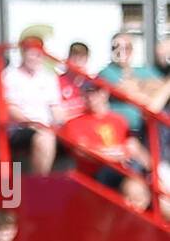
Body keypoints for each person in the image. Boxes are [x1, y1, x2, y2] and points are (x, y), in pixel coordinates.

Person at [61, 81, 152, 210]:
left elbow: (133, 147)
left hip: (122, 171)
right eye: (89, 91)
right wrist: (117, 153)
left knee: (152, 193)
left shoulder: (119, 120)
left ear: (105, 93)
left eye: (97, 91)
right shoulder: (74, 123)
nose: (93, 96)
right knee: (133, 188)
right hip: (95, 175)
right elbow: (85, 152)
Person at [2, 36, 65, 174]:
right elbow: (11, 109)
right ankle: (40, 182)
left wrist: (62, 124)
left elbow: (56, 107)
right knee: (44, 139)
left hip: (45, 127)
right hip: (20, 128)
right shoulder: (10, 76)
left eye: (38, 53)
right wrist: (34, 124)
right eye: (31, 53)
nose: (34, 57)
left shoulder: (48, 77)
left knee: (75, 139)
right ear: (23, 53)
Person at [57, 41, 91, 123]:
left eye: (81, 57)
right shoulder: (56, 82)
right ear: (68, 58)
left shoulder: (91, 84)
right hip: (65, 126)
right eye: (74, 56)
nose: (77, 61)